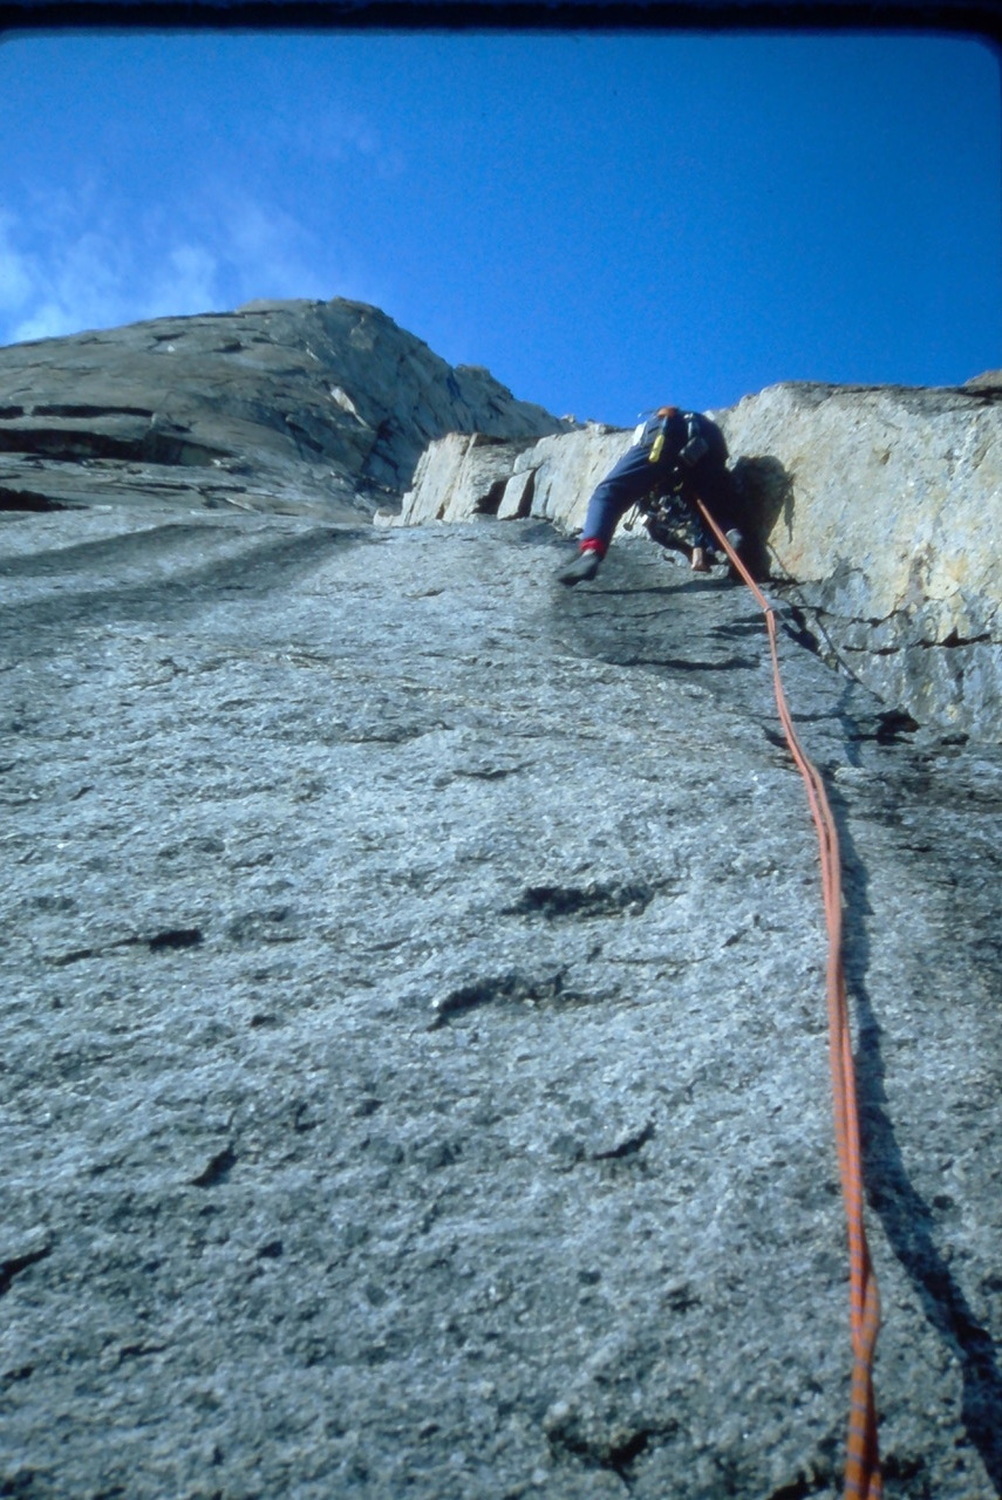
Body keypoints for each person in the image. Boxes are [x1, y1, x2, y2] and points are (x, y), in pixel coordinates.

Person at [556, 405, 744, 585]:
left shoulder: (649, 429)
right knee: (705, 505)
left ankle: (591, 553)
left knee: (609, 492)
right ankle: (730, 533)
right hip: (712, 439)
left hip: (668, 429)